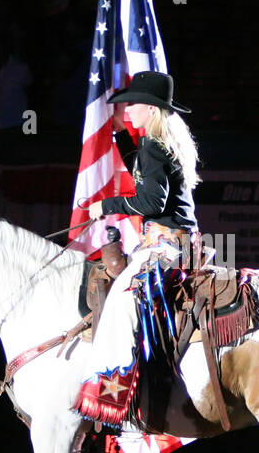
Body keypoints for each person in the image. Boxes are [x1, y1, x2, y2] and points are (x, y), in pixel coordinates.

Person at [73, 72, 202, 429]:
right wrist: (116, 134)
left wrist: (106, 205)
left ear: (150, 108)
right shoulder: (158, 144)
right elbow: (146, 177)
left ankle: (118, 392)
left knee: (124, 296)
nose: (127, 108)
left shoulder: (154, 146)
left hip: (167, 243)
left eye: (132, 103)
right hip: (174, 240)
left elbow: (149, 199)